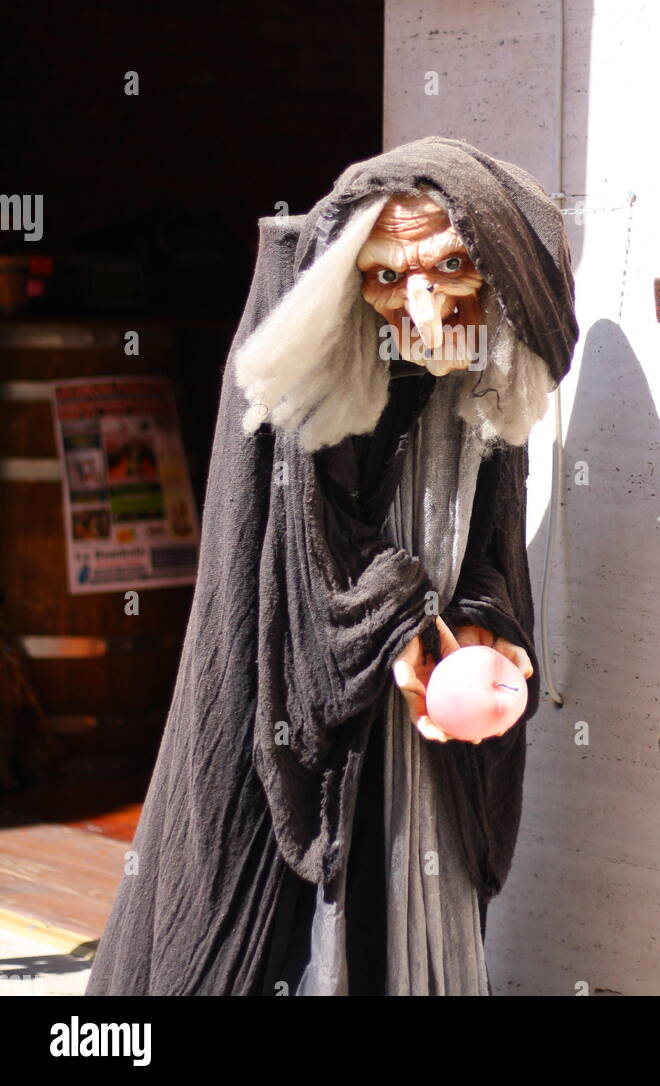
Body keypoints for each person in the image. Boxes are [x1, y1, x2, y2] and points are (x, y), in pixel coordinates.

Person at [85, 135, 578, 997]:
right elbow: (305, 557)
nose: (420, 310)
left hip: (425, 719)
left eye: (450, 266)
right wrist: (399, 625)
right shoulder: (329, 370)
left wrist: (482, 626)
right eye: (387, 277)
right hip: (332, 706)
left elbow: (491, 545)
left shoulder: (489, 368)